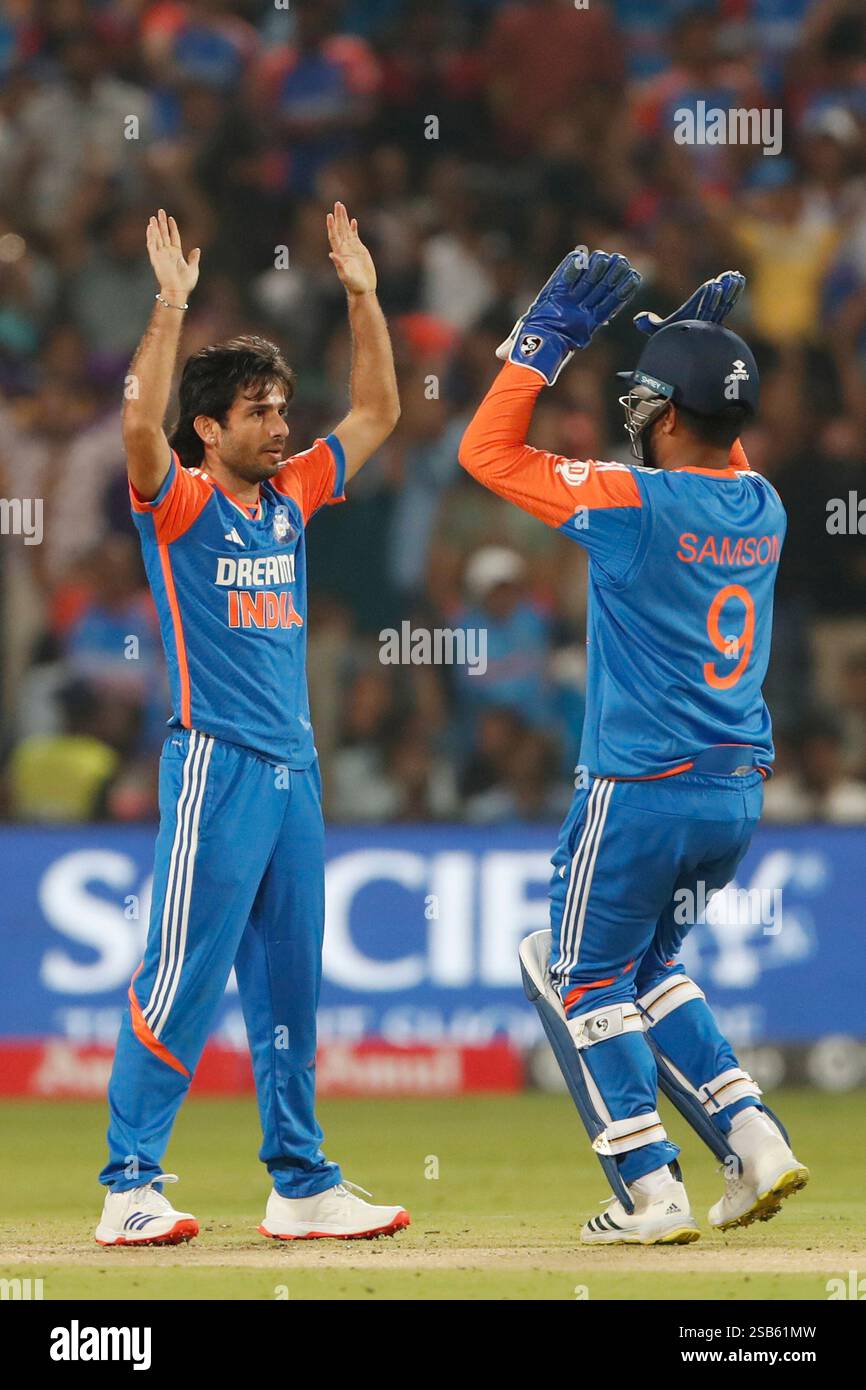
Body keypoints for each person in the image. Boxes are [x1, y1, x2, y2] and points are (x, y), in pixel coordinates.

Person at [458, 251, 809, 1245]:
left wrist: (540, 345)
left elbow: (485, 456)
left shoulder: (629, 504)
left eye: (645, 396)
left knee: (573, 972)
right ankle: (752, 1136)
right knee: (648, 965)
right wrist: (696, 356)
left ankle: (648, 1189)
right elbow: (715, 447)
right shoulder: (764, 506)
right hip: (731, 795)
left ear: (661, 414)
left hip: (636, 789)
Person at [94, 206, 407, 1246]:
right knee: (177, 974)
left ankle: (301, 1182)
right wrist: (170, 306)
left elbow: (377, 409)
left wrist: (361, 292)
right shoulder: (177, 504)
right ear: (210, 430)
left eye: (280, 407)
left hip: (294, 774)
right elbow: (135, 426)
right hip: (213, 767)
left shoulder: (290, 498)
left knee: (288, 991)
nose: (281, 426)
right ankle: (130, 1184)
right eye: (258, 412)